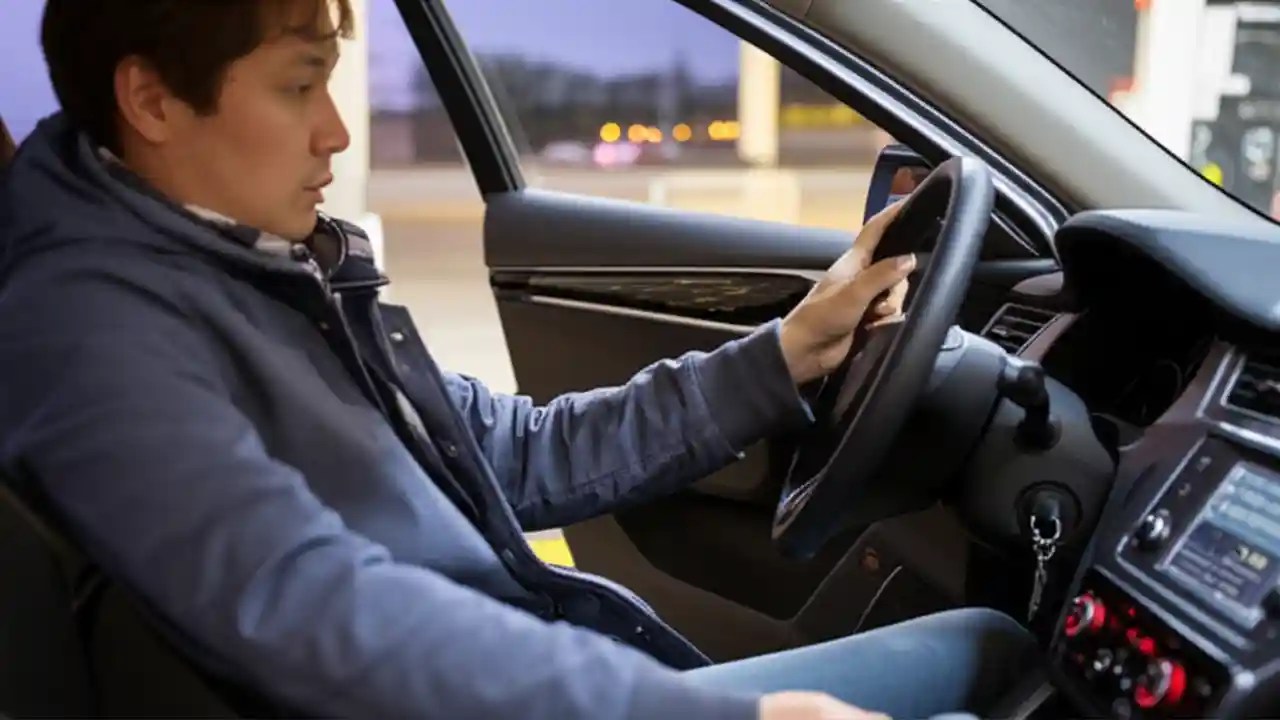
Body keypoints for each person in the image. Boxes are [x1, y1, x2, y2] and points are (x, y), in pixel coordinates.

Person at [0, 1, 1040, 718]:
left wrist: (784, 353)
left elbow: (508, 450)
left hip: (542, 677)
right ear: (153, 101)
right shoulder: (87, 329)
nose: (335, 132)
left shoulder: (252, 270)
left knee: (996, 647)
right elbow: (306, 602)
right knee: (998, 659)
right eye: (297, 86)